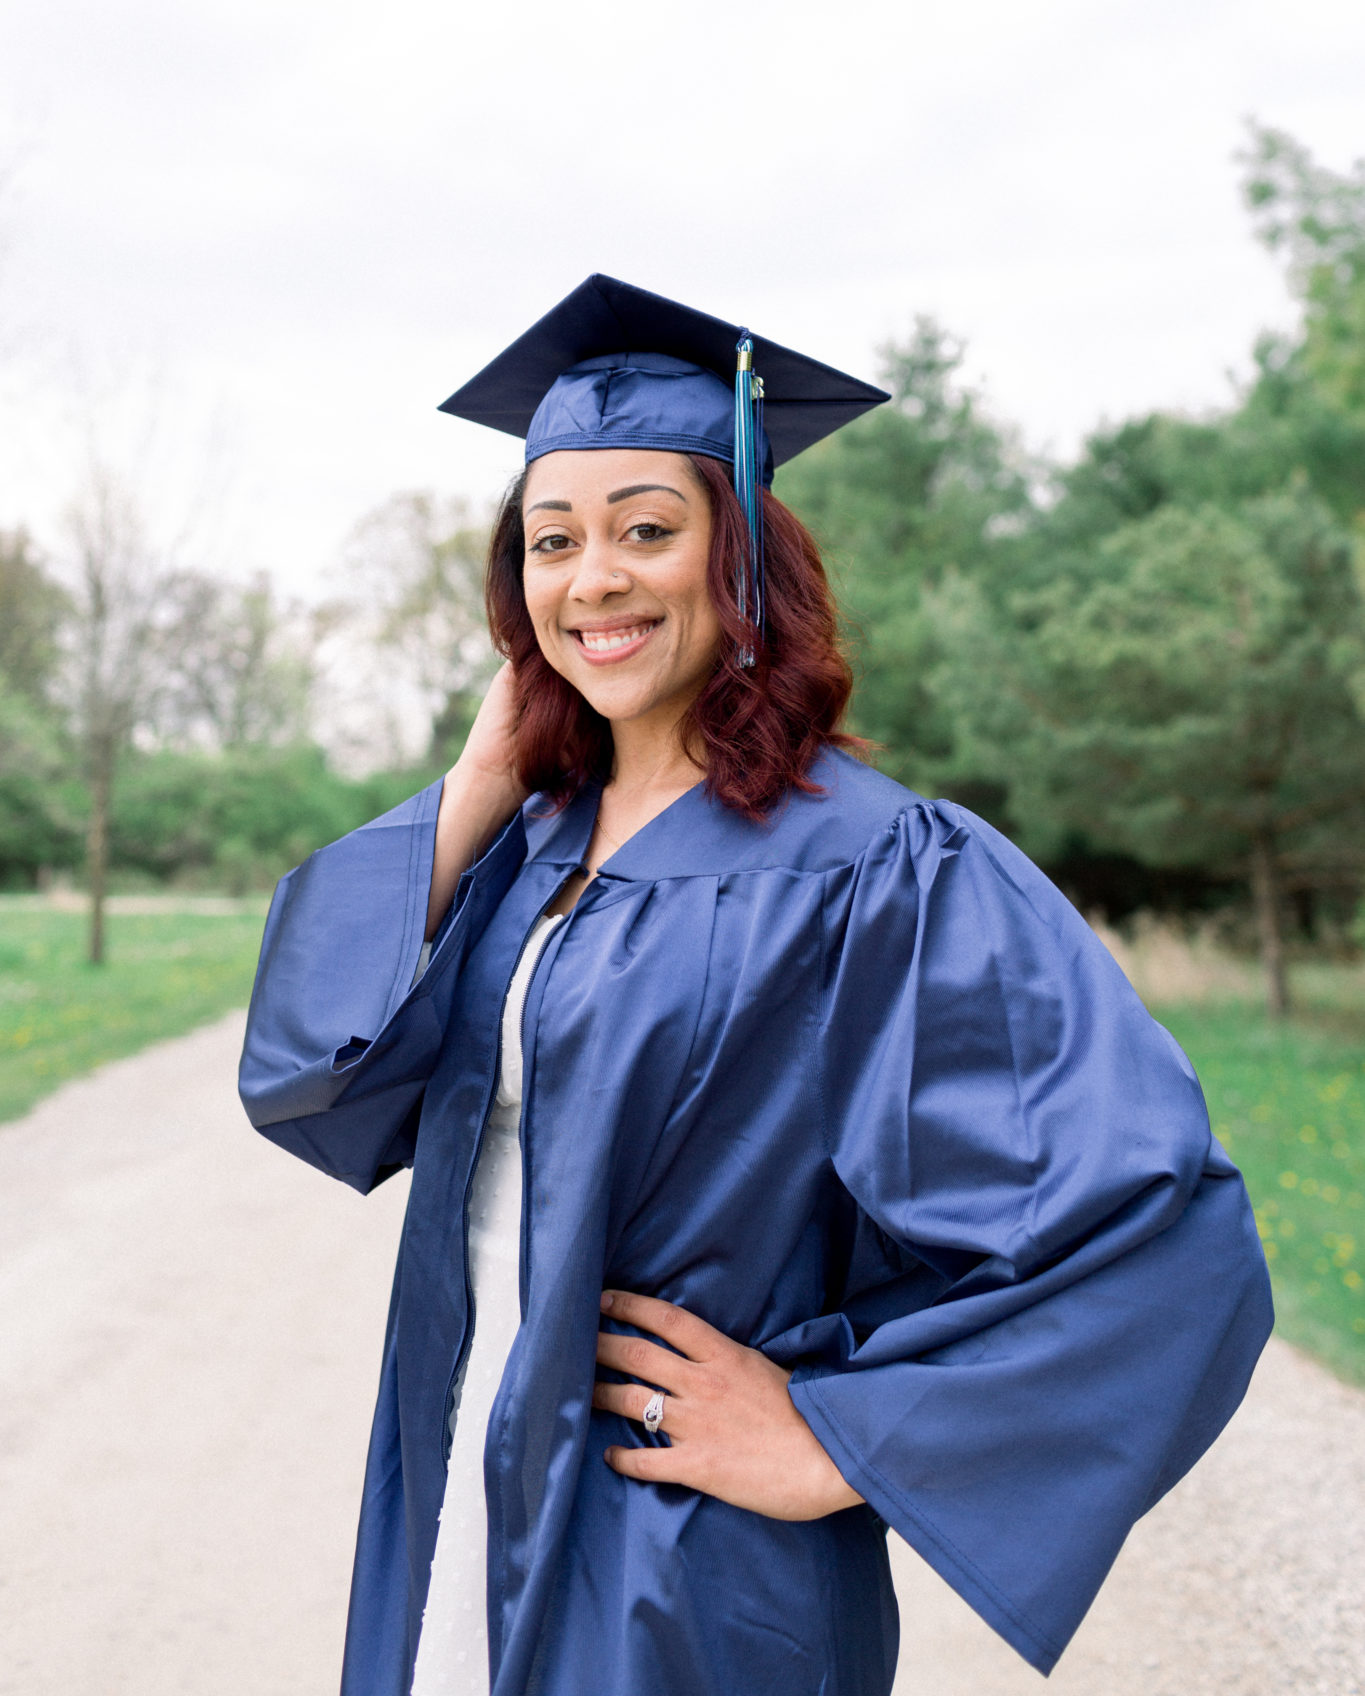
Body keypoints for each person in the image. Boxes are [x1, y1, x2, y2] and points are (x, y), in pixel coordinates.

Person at [239, 274, 1272, 1696]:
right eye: (552, 543)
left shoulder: (876, 863)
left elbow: (1155, 1227)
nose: (591, 577)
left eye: (645, 531)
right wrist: (481, 774)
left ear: (740, 565)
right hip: (459, 1490)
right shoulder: (521, 845)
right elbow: (311, 1071)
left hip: (681, 1552)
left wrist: (838, 1436)